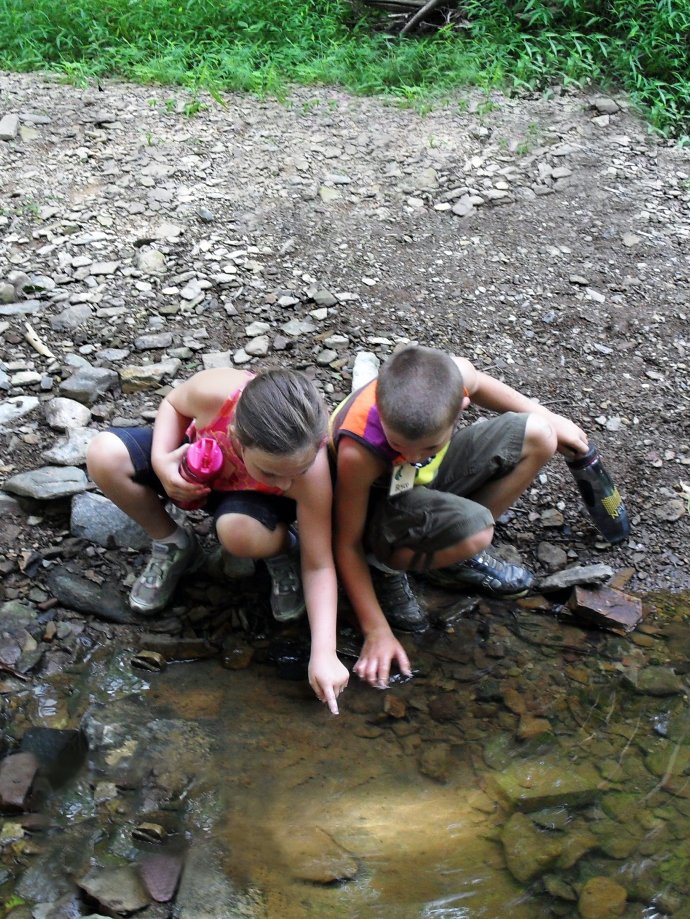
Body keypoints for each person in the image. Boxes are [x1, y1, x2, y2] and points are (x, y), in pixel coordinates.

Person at [87, 367, 349, 714]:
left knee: (238, 534)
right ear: (239, 437)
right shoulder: (216, 393)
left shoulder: (309, 470)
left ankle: (281, 546)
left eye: (297, 472)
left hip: (253, 504)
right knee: (104, 454)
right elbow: (173, 404)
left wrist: (324, 653)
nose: (288, 485)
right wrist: (163, 462)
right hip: (203, 468)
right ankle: (172, 542)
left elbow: (318, 564)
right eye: (274, 472)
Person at [330, 345, 589, 690]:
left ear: (461, 406)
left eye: (427, 447)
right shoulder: (359, 451)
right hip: (378, 505)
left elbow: (478, 381)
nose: (408, 455)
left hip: (418, 483)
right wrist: (375, 629)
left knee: (541, 435)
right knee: (476, 531)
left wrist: (552, 419)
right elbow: (345, 543)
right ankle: (387, 567)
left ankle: (448, 555)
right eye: (398, 444)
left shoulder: (453, 377)